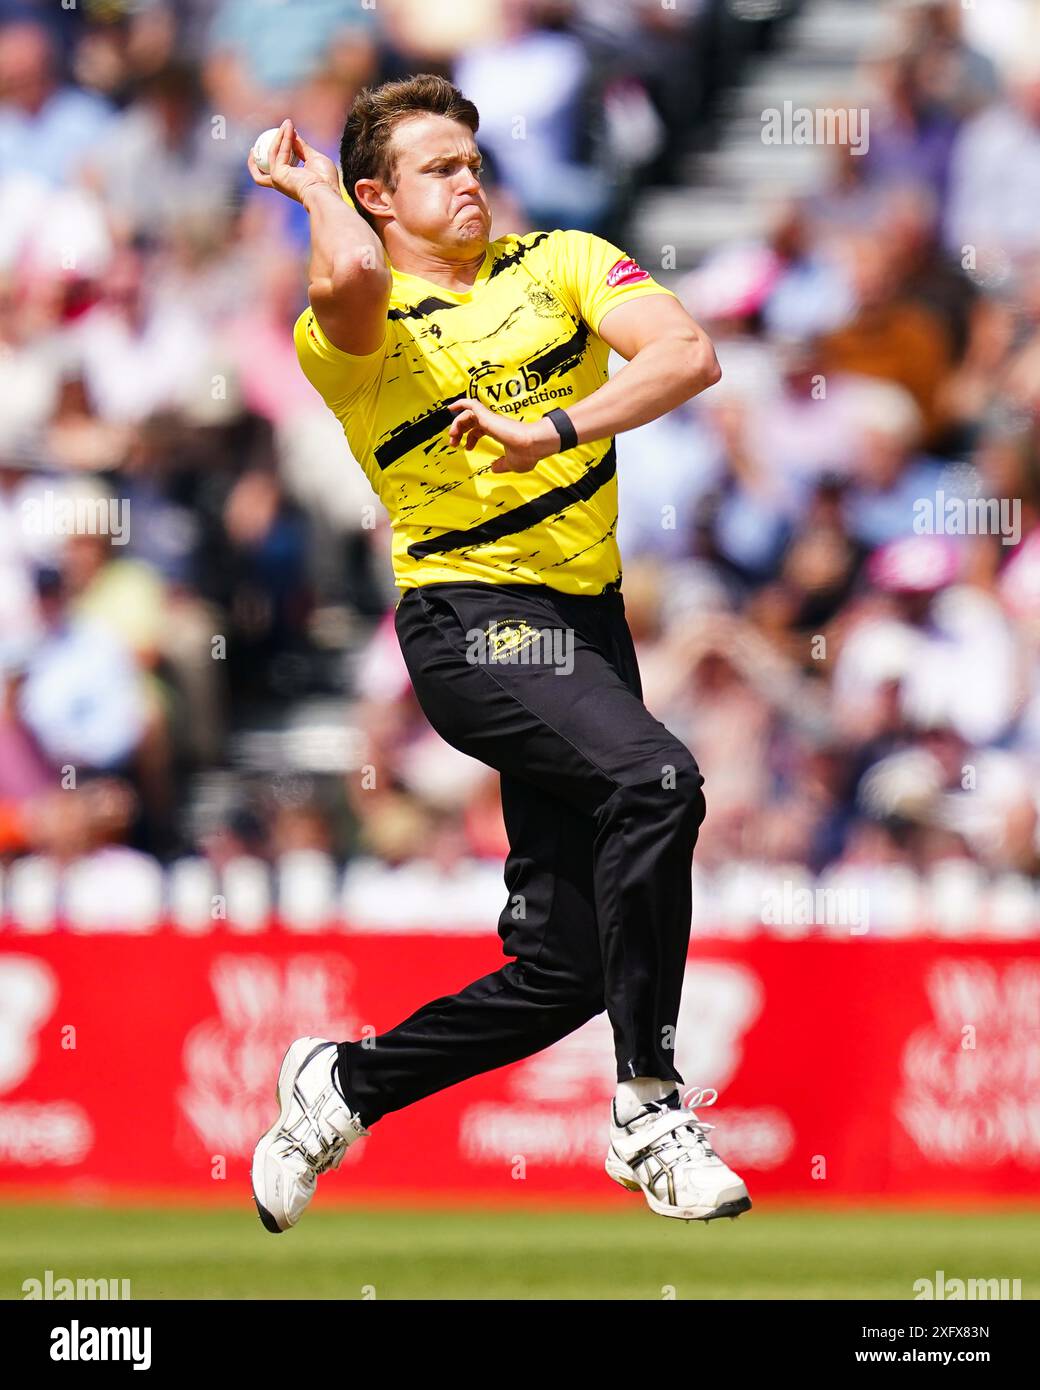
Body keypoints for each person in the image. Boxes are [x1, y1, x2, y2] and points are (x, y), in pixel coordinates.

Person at [247, 73, 749, 1231]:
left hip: (585, 626)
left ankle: (342, 1086)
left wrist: (555, 427)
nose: (468, 181)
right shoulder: (353, 333)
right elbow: (354, 278)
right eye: (436, 169)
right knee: (658, 776)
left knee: (565, 970)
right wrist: (316, 192)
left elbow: (685, 353)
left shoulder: (558, 261)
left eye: (472, 161)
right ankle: (648, 1107)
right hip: (469, 618)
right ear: (377, 195)